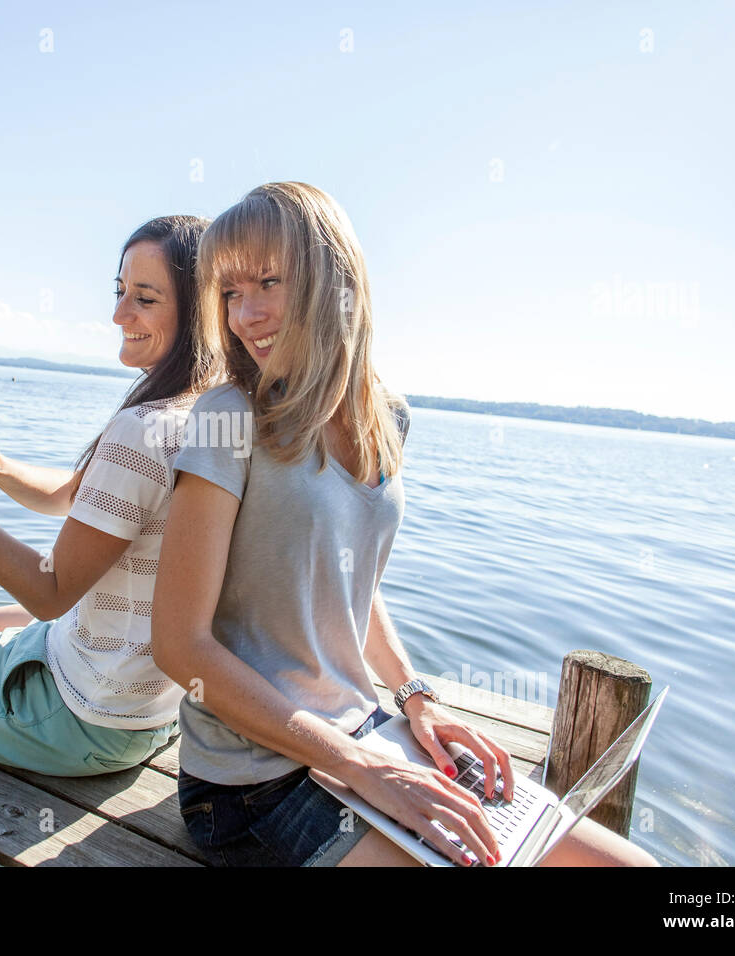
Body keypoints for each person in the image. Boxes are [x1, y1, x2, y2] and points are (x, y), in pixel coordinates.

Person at [152, 182, 658, 865]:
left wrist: (417, 698)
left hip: (366, 734)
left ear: (335, 280)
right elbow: (180, 648)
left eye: (268, 281)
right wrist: (362, 769)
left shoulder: (387, 416)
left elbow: (348, 578)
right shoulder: (226, 418)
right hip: (250, 786)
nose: (246, 314)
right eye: (229, 292)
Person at [0, 215, 225, 777]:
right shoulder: (213, 414)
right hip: (154, 709)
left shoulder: (146, 428)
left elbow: (50, 592)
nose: (119, 314)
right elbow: (75, 495)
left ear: (198, 309)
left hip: (85, 718)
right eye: (120, 292)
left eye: (146, 298)